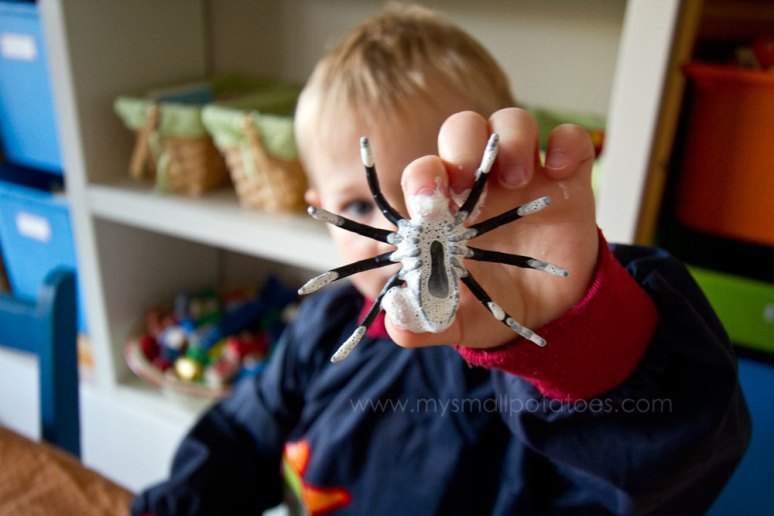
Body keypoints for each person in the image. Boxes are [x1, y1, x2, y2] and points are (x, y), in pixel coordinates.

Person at [132, 4, 750, 514]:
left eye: (438, 195)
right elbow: (239, 438)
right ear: (323, 211)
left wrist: (571, 334)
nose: (403, 222)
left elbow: (664, 461)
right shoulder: (323, 332)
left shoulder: (519, 379)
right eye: (362, 204)